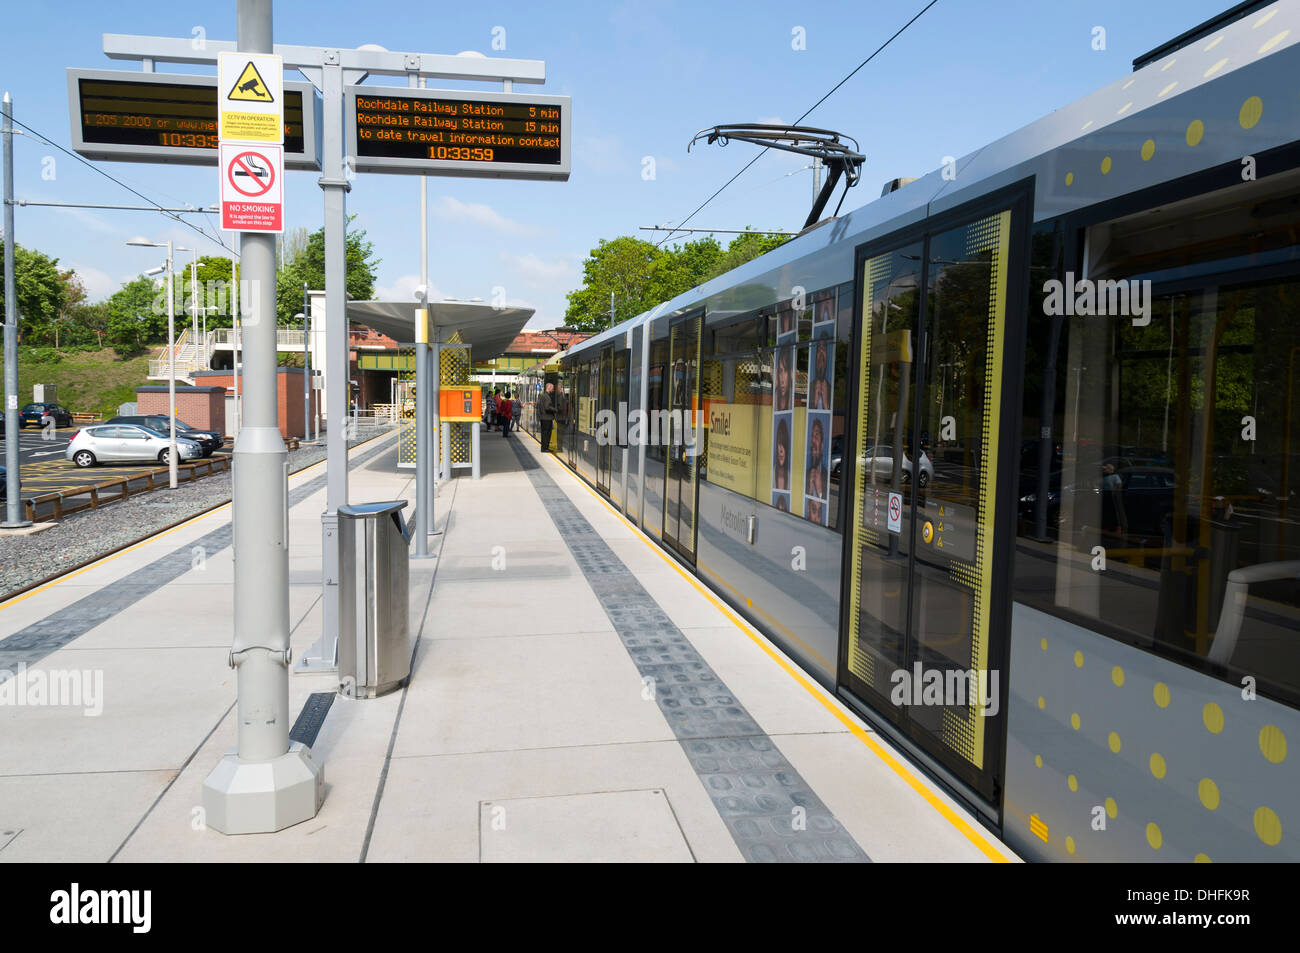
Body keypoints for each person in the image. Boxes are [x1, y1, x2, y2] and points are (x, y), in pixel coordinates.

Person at [805, 417, 828, 500]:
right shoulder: (805, 474)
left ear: (822, 446)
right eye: (812, 436)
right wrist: (810, 492)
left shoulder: (827, 476)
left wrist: (819, 491)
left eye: (816, 435)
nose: (813, 441)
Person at [810, 338, 831, 410]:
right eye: (819, 349)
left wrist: (825, 402)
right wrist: (815, 399)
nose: (821, 351)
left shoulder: (831, 388)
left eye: (824, 348)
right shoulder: (809, 387)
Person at [538, 381, 557, 453]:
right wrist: (555, 410)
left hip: (543, 417)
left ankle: (544, 447)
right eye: (552, 388)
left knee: (544, 433)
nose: (553, 390)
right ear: (549, 388)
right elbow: (547, 407)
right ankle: (545, 448)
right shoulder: (547, 397)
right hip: (547, 418)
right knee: (547, 433)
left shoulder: (543, 396)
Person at [774, 417, 791, 491]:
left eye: (783, 443)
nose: (780, 450)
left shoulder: (790, 477)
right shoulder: (771, 474)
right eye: (779, 443)